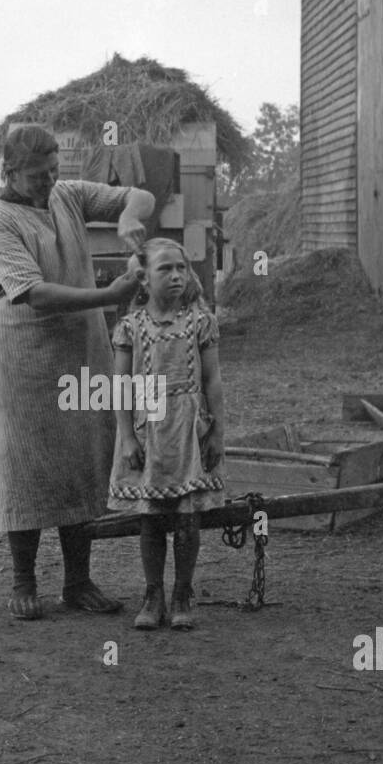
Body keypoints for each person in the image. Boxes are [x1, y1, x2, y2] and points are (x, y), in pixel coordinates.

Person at [0, 124, 154, 618]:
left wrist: (127, 221)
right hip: (25, 354)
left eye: (53, 170)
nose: (47, 181)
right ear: (9, 171)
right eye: (36, 175)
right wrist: (110, 296)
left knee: (83, 457)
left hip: (82, 347)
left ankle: (79, 582)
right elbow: (34, 293)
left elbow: (140, 195)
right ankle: (23, 580)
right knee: (25, 459)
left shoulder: (69, 195)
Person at [107, 238, 225, 630]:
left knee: (188, 516)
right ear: (143, 279)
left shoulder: (199, 323)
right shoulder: (131, 328)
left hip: (189, 429)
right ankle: (153, 593)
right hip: (149, 430)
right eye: (164, 269)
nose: (176, 275)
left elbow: (213, 379)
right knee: (152, 516)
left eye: (181, 268)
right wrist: (126, 437)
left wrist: (216, 433)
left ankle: (182, 593)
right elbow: (121, 386)